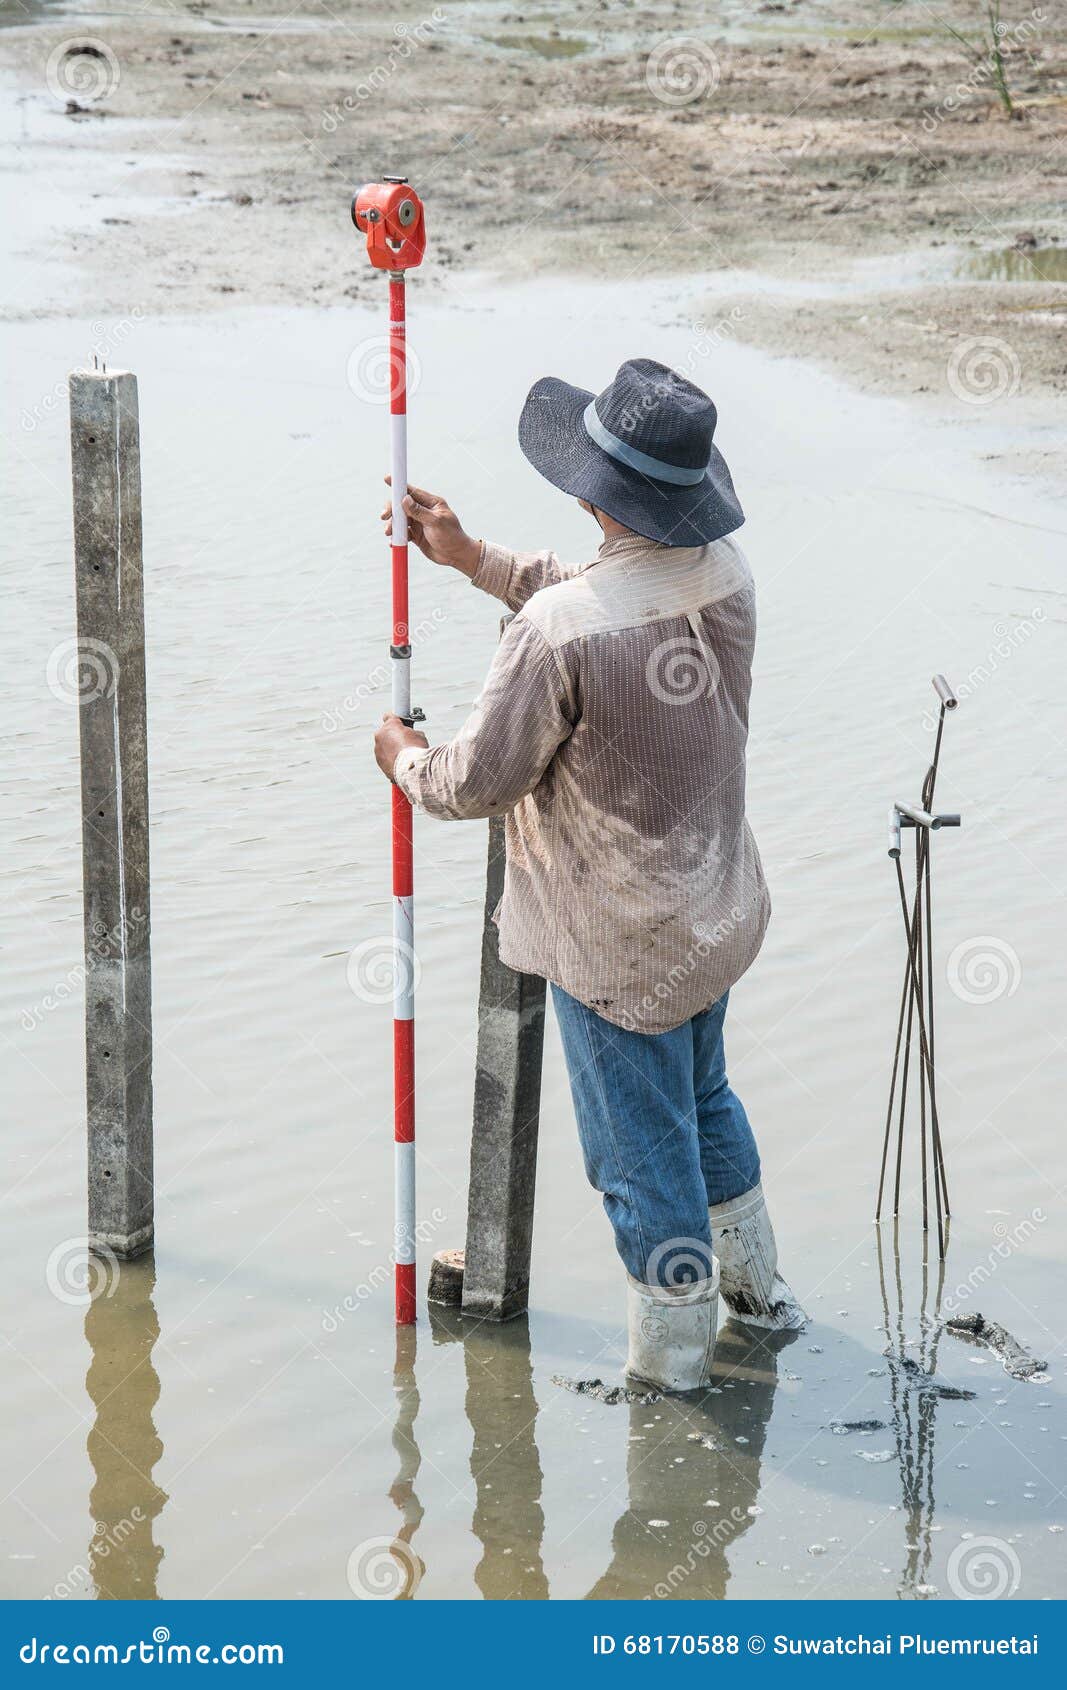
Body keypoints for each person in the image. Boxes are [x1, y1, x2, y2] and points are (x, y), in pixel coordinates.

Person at [373, 358, 805, 1392]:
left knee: (635, 1167)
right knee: (703, 1104)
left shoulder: (553, 636)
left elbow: (473, 780)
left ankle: (673, 1387)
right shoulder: (725, 572)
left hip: (618, 950)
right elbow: (610, 598)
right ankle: (763, 1300)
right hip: (713, 910)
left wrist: (397, 756)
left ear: (589, 491)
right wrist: (475, 558)